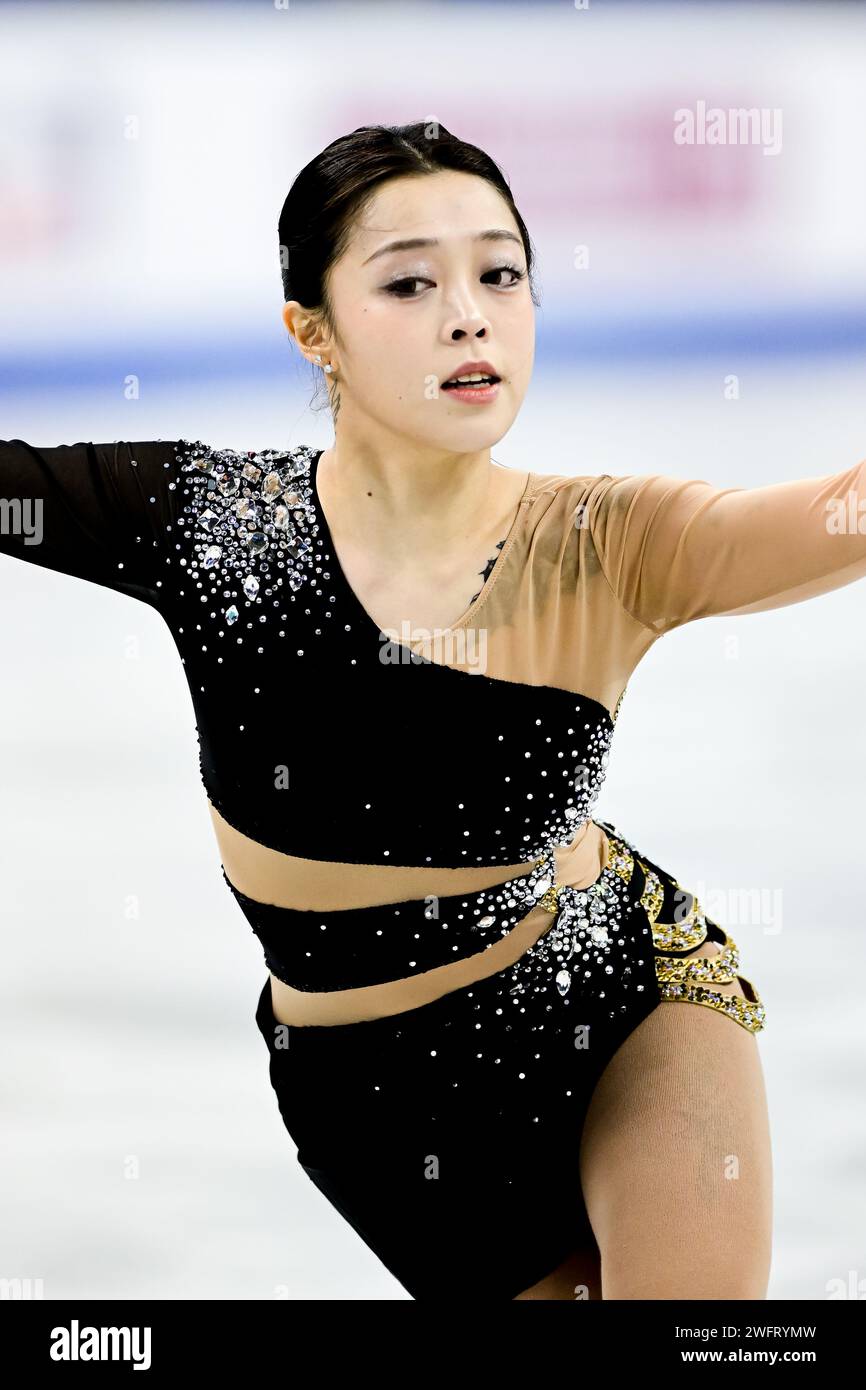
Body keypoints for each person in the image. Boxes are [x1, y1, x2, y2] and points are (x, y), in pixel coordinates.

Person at [3, 121, 865, 1301]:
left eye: (499, 274)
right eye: (409, 281)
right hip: (370, 1094)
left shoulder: (607, 540)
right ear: (314, 331)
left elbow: (836, 515)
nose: (469, 314)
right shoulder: (206, 521)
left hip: (612, 994)